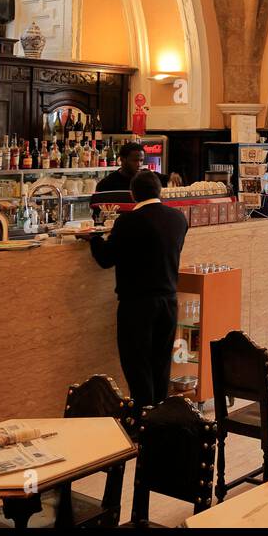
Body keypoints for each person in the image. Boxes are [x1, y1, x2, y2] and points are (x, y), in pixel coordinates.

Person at [89, 169, 189, 409]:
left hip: (137, 305)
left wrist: (92, 238)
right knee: (161, 364)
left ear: (133, 194)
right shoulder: (178, 219)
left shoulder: (128, 221)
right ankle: (161, 419)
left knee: (137, 365)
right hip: (168, 301)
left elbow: (105, 259)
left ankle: (144, 421)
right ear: (160, 191)